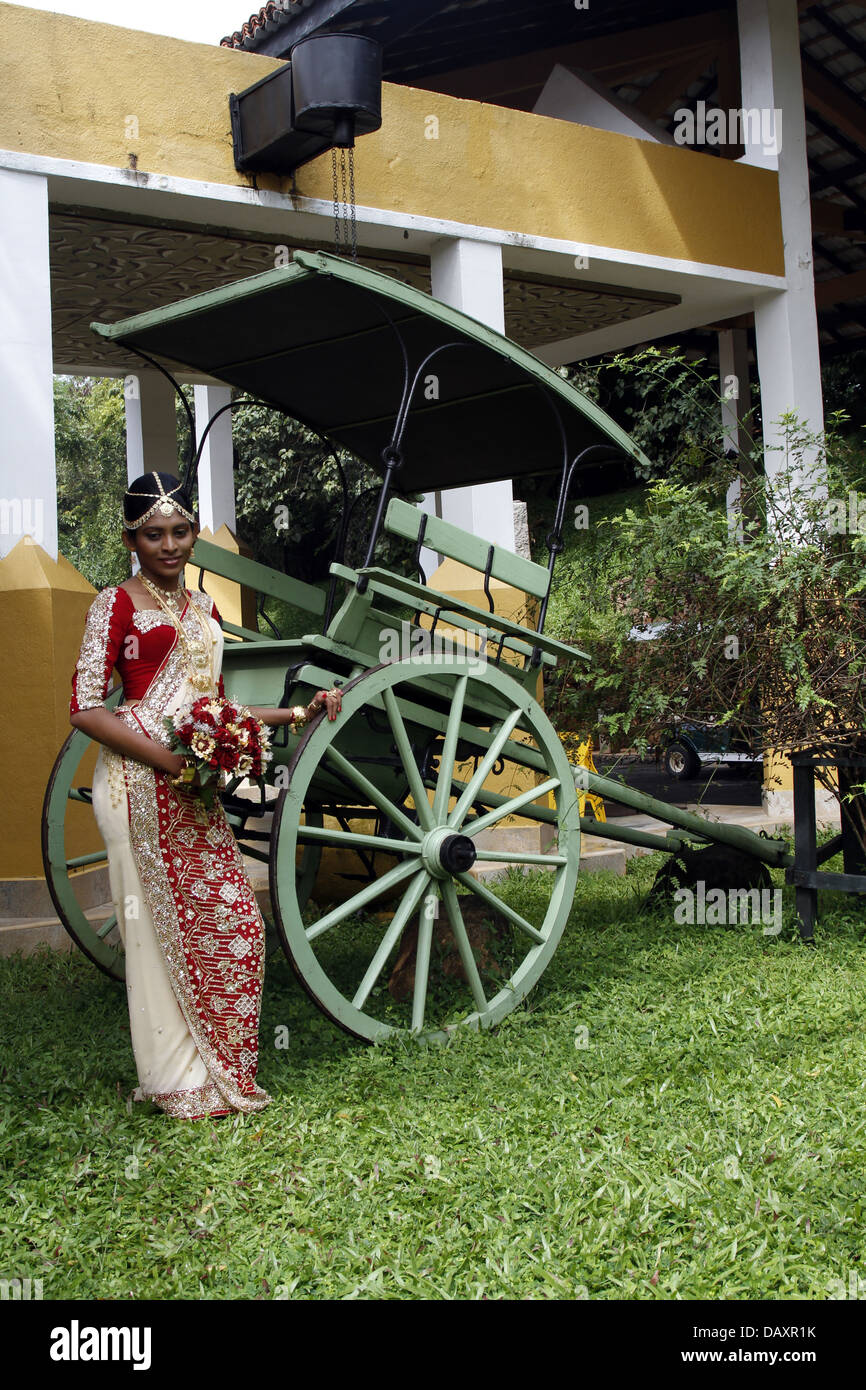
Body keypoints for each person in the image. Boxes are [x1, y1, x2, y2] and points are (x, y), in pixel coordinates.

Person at [68, 471, 342, 1120]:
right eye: (154, 534)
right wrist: (168, 760)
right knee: (155, 930)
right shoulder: (115, 604)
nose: (169, 545)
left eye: (181, 531)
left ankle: (218, 1067)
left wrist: (296, 716)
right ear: (130, 538)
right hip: (137, 781)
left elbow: (213, 707)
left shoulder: (204, 611)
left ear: (194, 534)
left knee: (235, 921)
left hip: (191, 782)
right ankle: (177, 1081)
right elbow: (83, 707)